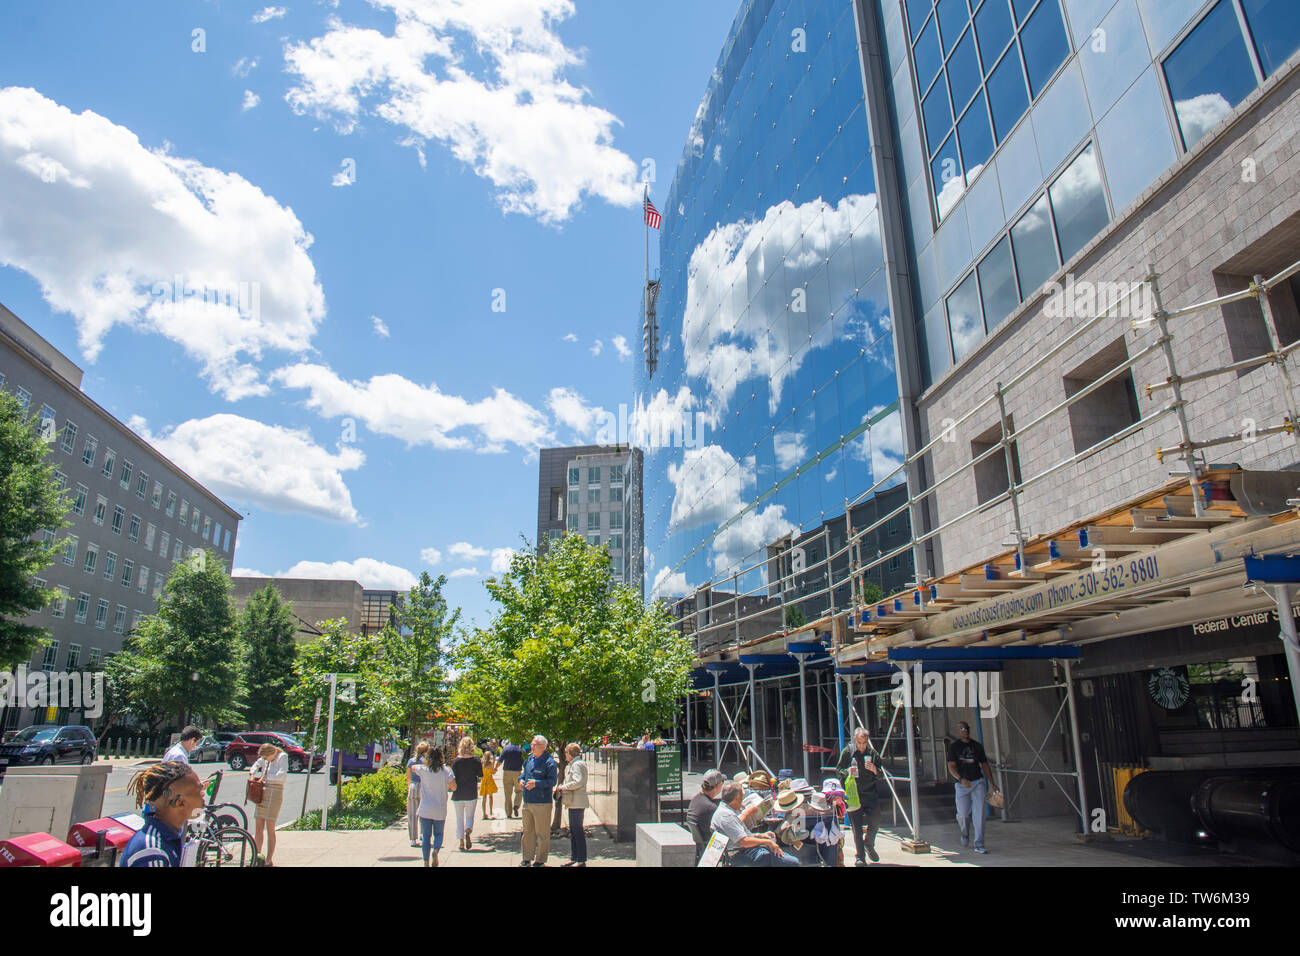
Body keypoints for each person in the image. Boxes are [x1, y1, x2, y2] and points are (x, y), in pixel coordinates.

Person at [120, 761, 205, 867]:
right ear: (180, 803)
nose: (203, 794)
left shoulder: (169, 834)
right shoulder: (153, 852)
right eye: (199, 791)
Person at [709, 782, 799, 867]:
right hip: (741, 854)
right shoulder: (727, 816)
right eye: (741, 799)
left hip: (742, 851)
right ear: (736, 799)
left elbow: (738, 836)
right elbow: (744, 842)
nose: (742, 803)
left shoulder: (724, 811)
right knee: (793, 862)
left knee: (781, 854)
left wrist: (760, 835)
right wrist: (768, 842)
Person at [947, 721, 1001, 854]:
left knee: (979, 814)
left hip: (978, 782)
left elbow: (985, 765)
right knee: (963, 814)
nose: (964, 730)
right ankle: (965, 833)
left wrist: (992, 783)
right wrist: (960, 779)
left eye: (966, 728)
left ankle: (979, 843)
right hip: (962, 785)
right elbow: (951, 766)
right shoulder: (954, 747)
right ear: (958, 731)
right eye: (961, 728)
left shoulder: (977, 746)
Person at [836, 727, 883, 865]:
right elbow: (838, 771)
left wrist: (875, 770)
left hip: (870, 793)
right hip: (854, 794)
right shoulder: (847, 752)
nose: (862, 746)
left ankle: (869, 843)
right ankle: (860, 856)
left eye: (864, 743)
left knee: (876, 820)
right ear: (855, 740)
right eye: (860, 743)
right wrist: (847, 771)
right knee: (856, 826)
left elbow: (881, 774)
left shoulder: (873, 753)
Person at [410, 745, 456, 866]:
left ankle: (425, 861)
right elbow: (454, 787)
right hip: (440, 809)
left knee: (426, 836)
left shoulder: (424, 769)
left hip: (425, 809)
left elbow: (413, 767)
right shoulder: (446, 771)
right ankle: (435, 850)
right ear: (441, 757)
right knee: (439, 834)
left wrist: (420, 760)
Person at [519, 735, 558, 867]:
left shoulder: (549, 762)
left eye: (534, 744)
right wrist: (521, 780)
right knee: (527, 831)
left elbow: (552, 781)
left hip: (542, 803)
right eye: (532, 744)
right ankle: (526, 858)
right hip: (528, 802)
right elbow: (524, 773)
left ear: (542, 746)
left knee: (542, 833)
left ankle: (540, 860)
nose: (532, 746)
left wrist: (537, 783)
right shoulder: (530, 759)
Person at [249, 742, 288, 866]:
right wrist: (252, 773)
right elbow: (257, 763)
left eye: (266, 758)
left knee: (270, 826)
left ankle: (269, 859)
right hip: (263, 791)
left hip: (275, 792)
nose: (265, 760)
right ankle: (257, 855)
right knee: (259, 825)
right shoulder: (265, 759)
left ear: (271, 753)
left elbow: (281, 775)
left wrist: (265, 777)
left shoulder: (282, 757)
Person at [553, 743, 589, 867]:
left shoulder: (577, 765)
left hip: (577, 802)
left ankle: (581, 859)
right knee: (574, 830)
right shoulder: (575, 764)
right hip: (574, 802)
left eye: (566, 753)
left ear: (570, 753)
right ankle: (575, 858)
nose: (565, 756)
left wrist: (563, 787)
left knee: (577, 830)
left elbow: (578, 781)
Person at [687, 769, 726, 862]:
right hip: (712, 849)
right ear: (717, 786)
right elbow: (726, 828)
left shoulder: (695, 800)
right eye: (722, 782)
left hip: (702, 847)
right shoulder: (710, 808)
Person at [451, 736, 483, 850]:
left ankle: (460, 842)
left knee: (459, 818)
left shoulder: (456, 761)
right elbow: (480, 775)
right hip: (471, 792)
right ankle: (468, 829)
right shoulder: (476, 760)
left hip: (458, 792)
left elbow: (452, 776)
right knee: (470, 816)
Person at [406, 741, 429, 847]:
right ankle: (423, 833)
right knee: (424, 813)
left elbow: (408, 777)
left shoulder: (411, 761)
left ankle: (412, 839)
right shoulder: (426, 762)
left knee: (412, 814)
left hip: (413, 786)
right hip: (423, 787)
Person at [499, 739, 525, 818]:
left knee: (507, 794)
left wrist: (495, 768)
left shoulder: (506, 749)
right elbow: (525, 763)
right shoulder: (521, 751)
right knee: (520, 790)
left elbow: (500, 760)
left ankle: (508, 813)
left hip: (507, 772)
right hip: (517, 772)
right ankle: (516, 805)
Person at [480, 748, 499, 819]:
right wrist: (495, 770)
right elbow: (493, 772)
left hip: (484, 780)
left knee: (484, 797)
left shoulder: (482, 763)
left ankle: (484, 813)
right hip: (490, 780)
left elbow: (480, 773)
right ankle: (491, 811)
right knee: (490, 797)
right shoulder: (491, 763)